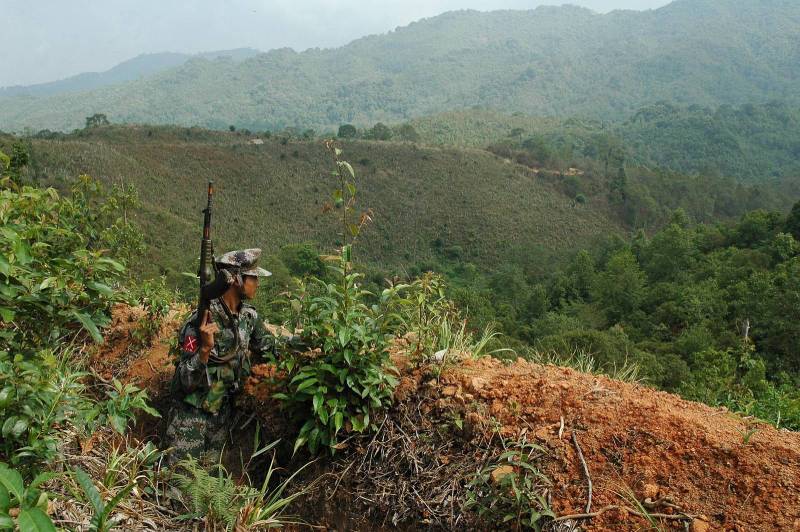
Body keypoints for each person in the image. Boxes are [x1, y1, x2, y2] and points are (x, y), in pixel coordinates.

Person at [165, 248, 278, 465]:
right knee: (178, 489)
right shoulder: (201, 320)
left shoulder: (248, 317)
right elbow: (183, 381)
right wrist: (205, 351)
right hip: (190, 419)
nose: (257, 283)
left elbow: (270, 347)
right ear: (235, 279)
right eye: (253, 277)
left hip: (221, 417)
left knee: (206, 491)